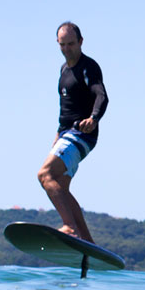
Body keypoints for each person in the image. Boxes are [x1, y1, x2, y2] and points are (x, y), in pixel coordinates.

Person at [37, 22, 108, 243]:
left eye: (71, 44)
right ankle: (88, 242)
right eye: (62, 45)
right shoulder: (63, 71)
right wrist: (57, 138)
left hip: (82, 134)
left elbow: (101, 95)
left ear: (80, 42)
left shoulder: (89, 67)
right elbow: (64, 111)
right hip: (66, 135)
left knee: (44, 175)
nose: (67, 49)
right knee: (61, 188)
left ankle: (69, 227)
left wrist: (94, 118)